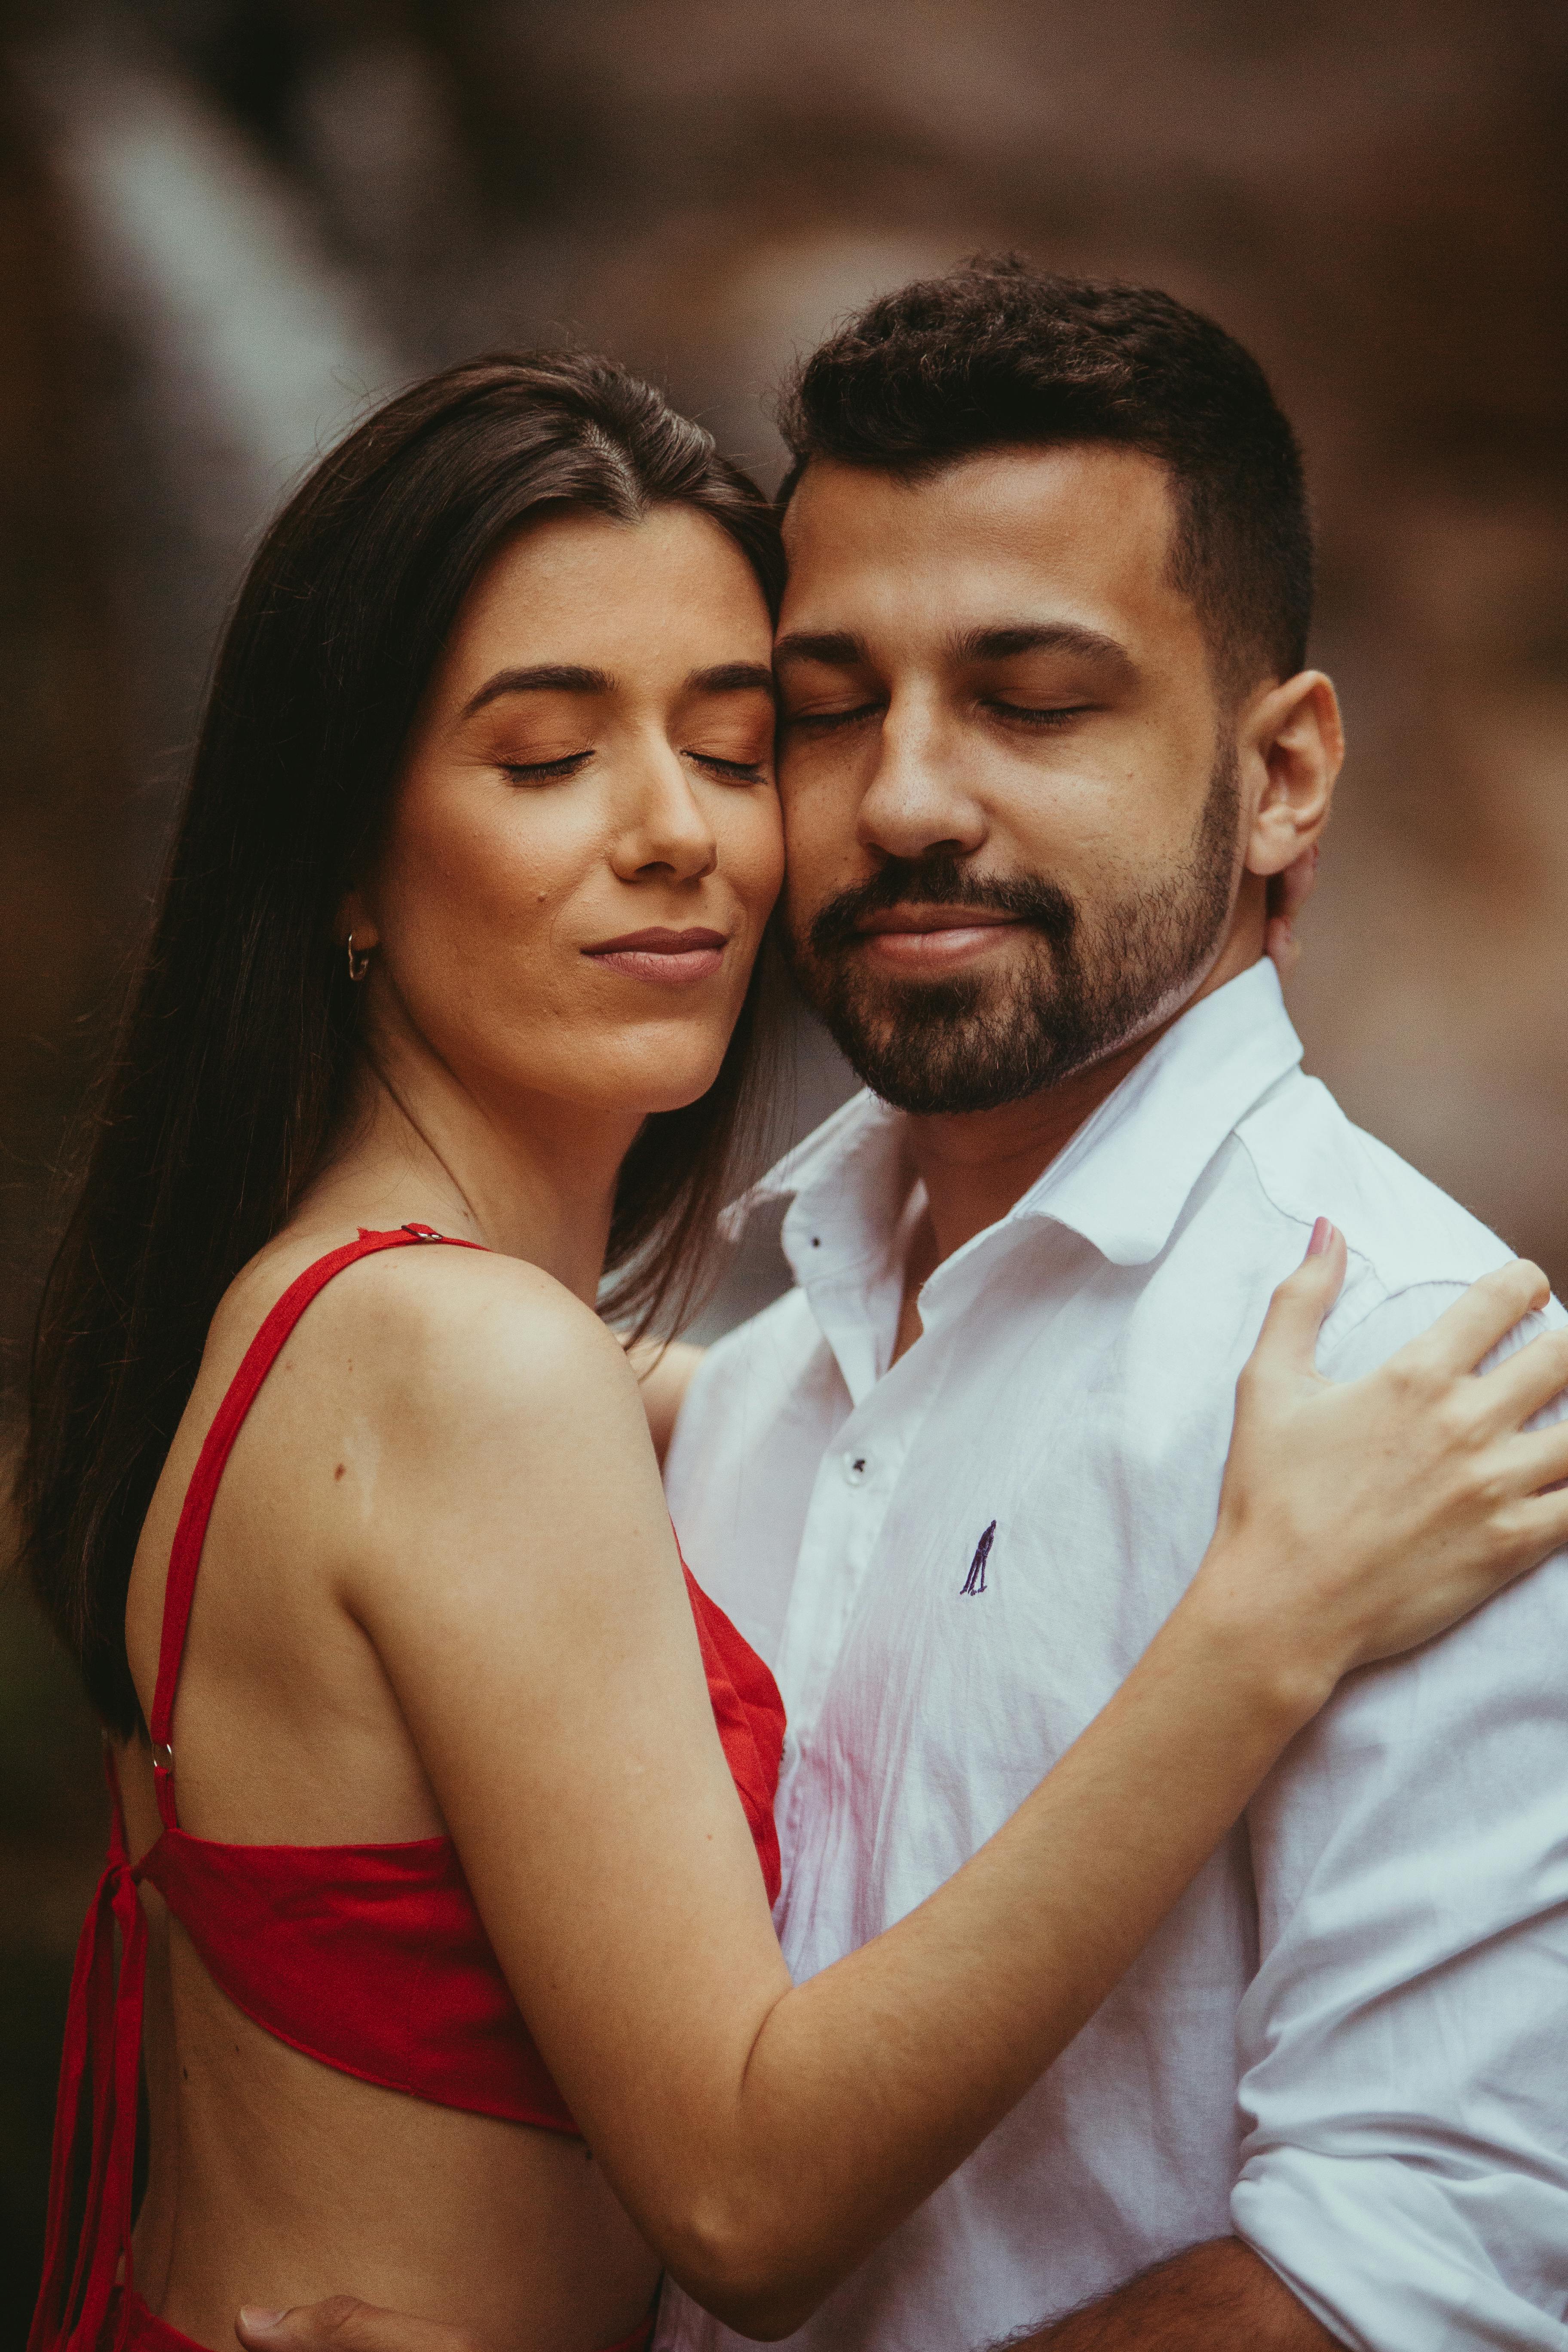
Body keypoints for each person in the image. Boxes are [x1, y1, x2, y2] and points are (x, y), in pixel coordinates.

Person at [18, 346, 1568, 2352]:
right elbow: (747, 2197)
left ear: (1281, 774)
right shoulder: (490, 1372)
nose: (690, 833)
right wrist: (1256, 1628)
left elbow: (1425, 2265)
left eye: (737, 742)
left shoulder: (1410, 1385)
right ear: (343, 858)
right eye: (544, 755)